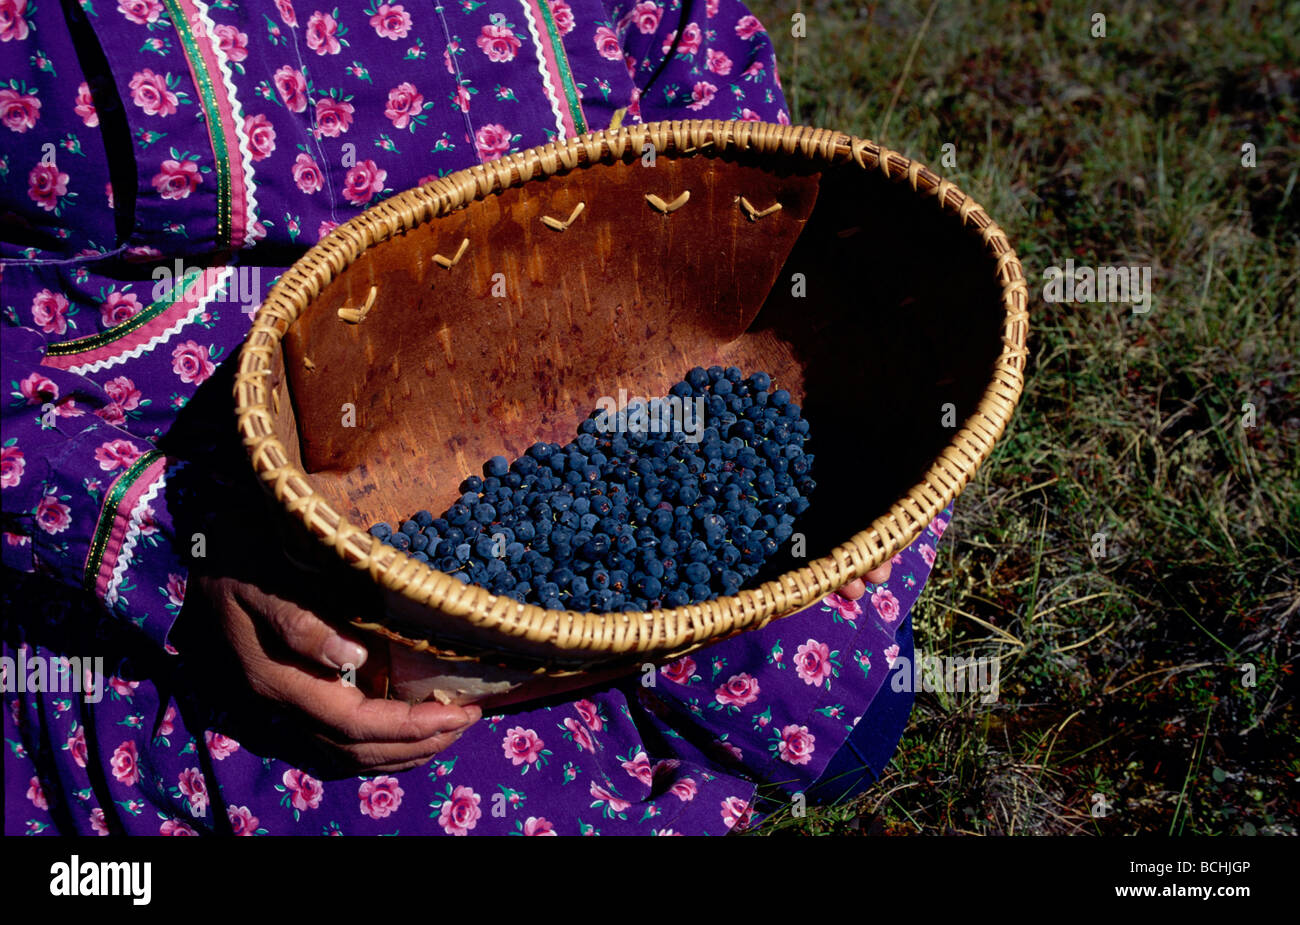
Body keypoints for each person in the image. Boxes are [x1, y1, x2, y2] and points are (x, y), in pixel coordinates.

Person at [1, 0, 950, 835]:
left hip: (604, 356)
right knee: (379, 764)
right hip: (198, 451)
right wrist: (172, 548)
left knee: (840, 701)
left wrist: (713, 257)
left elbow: (697, 61)